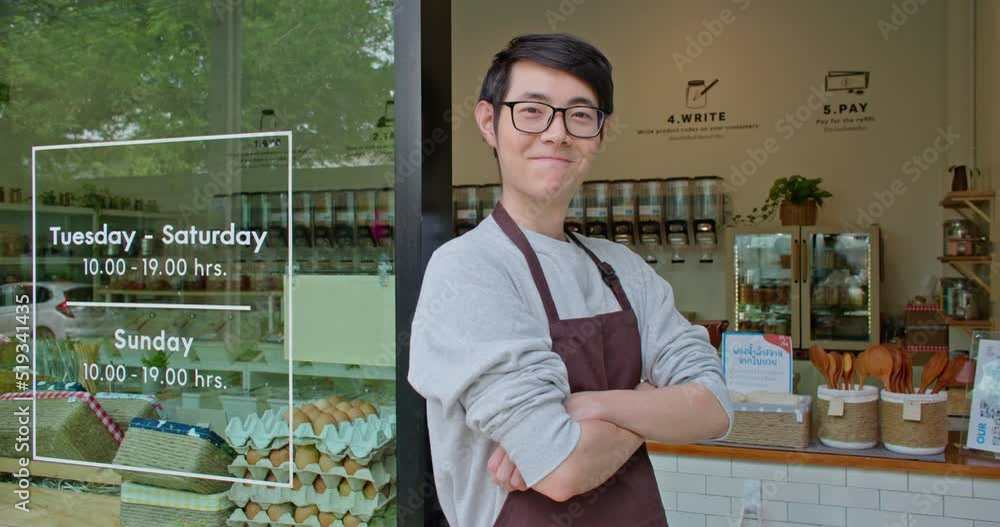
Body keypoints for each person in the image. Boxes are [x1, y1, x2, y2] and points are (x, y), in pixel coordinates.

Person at [408, 33, 733, 527]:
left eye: (580, 115)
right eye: (532, 110)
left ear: (599, 135)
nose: (557, 133)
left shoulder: (622, 267)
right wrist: (647, 399)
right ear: (488, 122)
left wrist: (592, 406)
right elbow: (561, 469)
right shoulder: (469, 268)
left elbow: (714, 407)